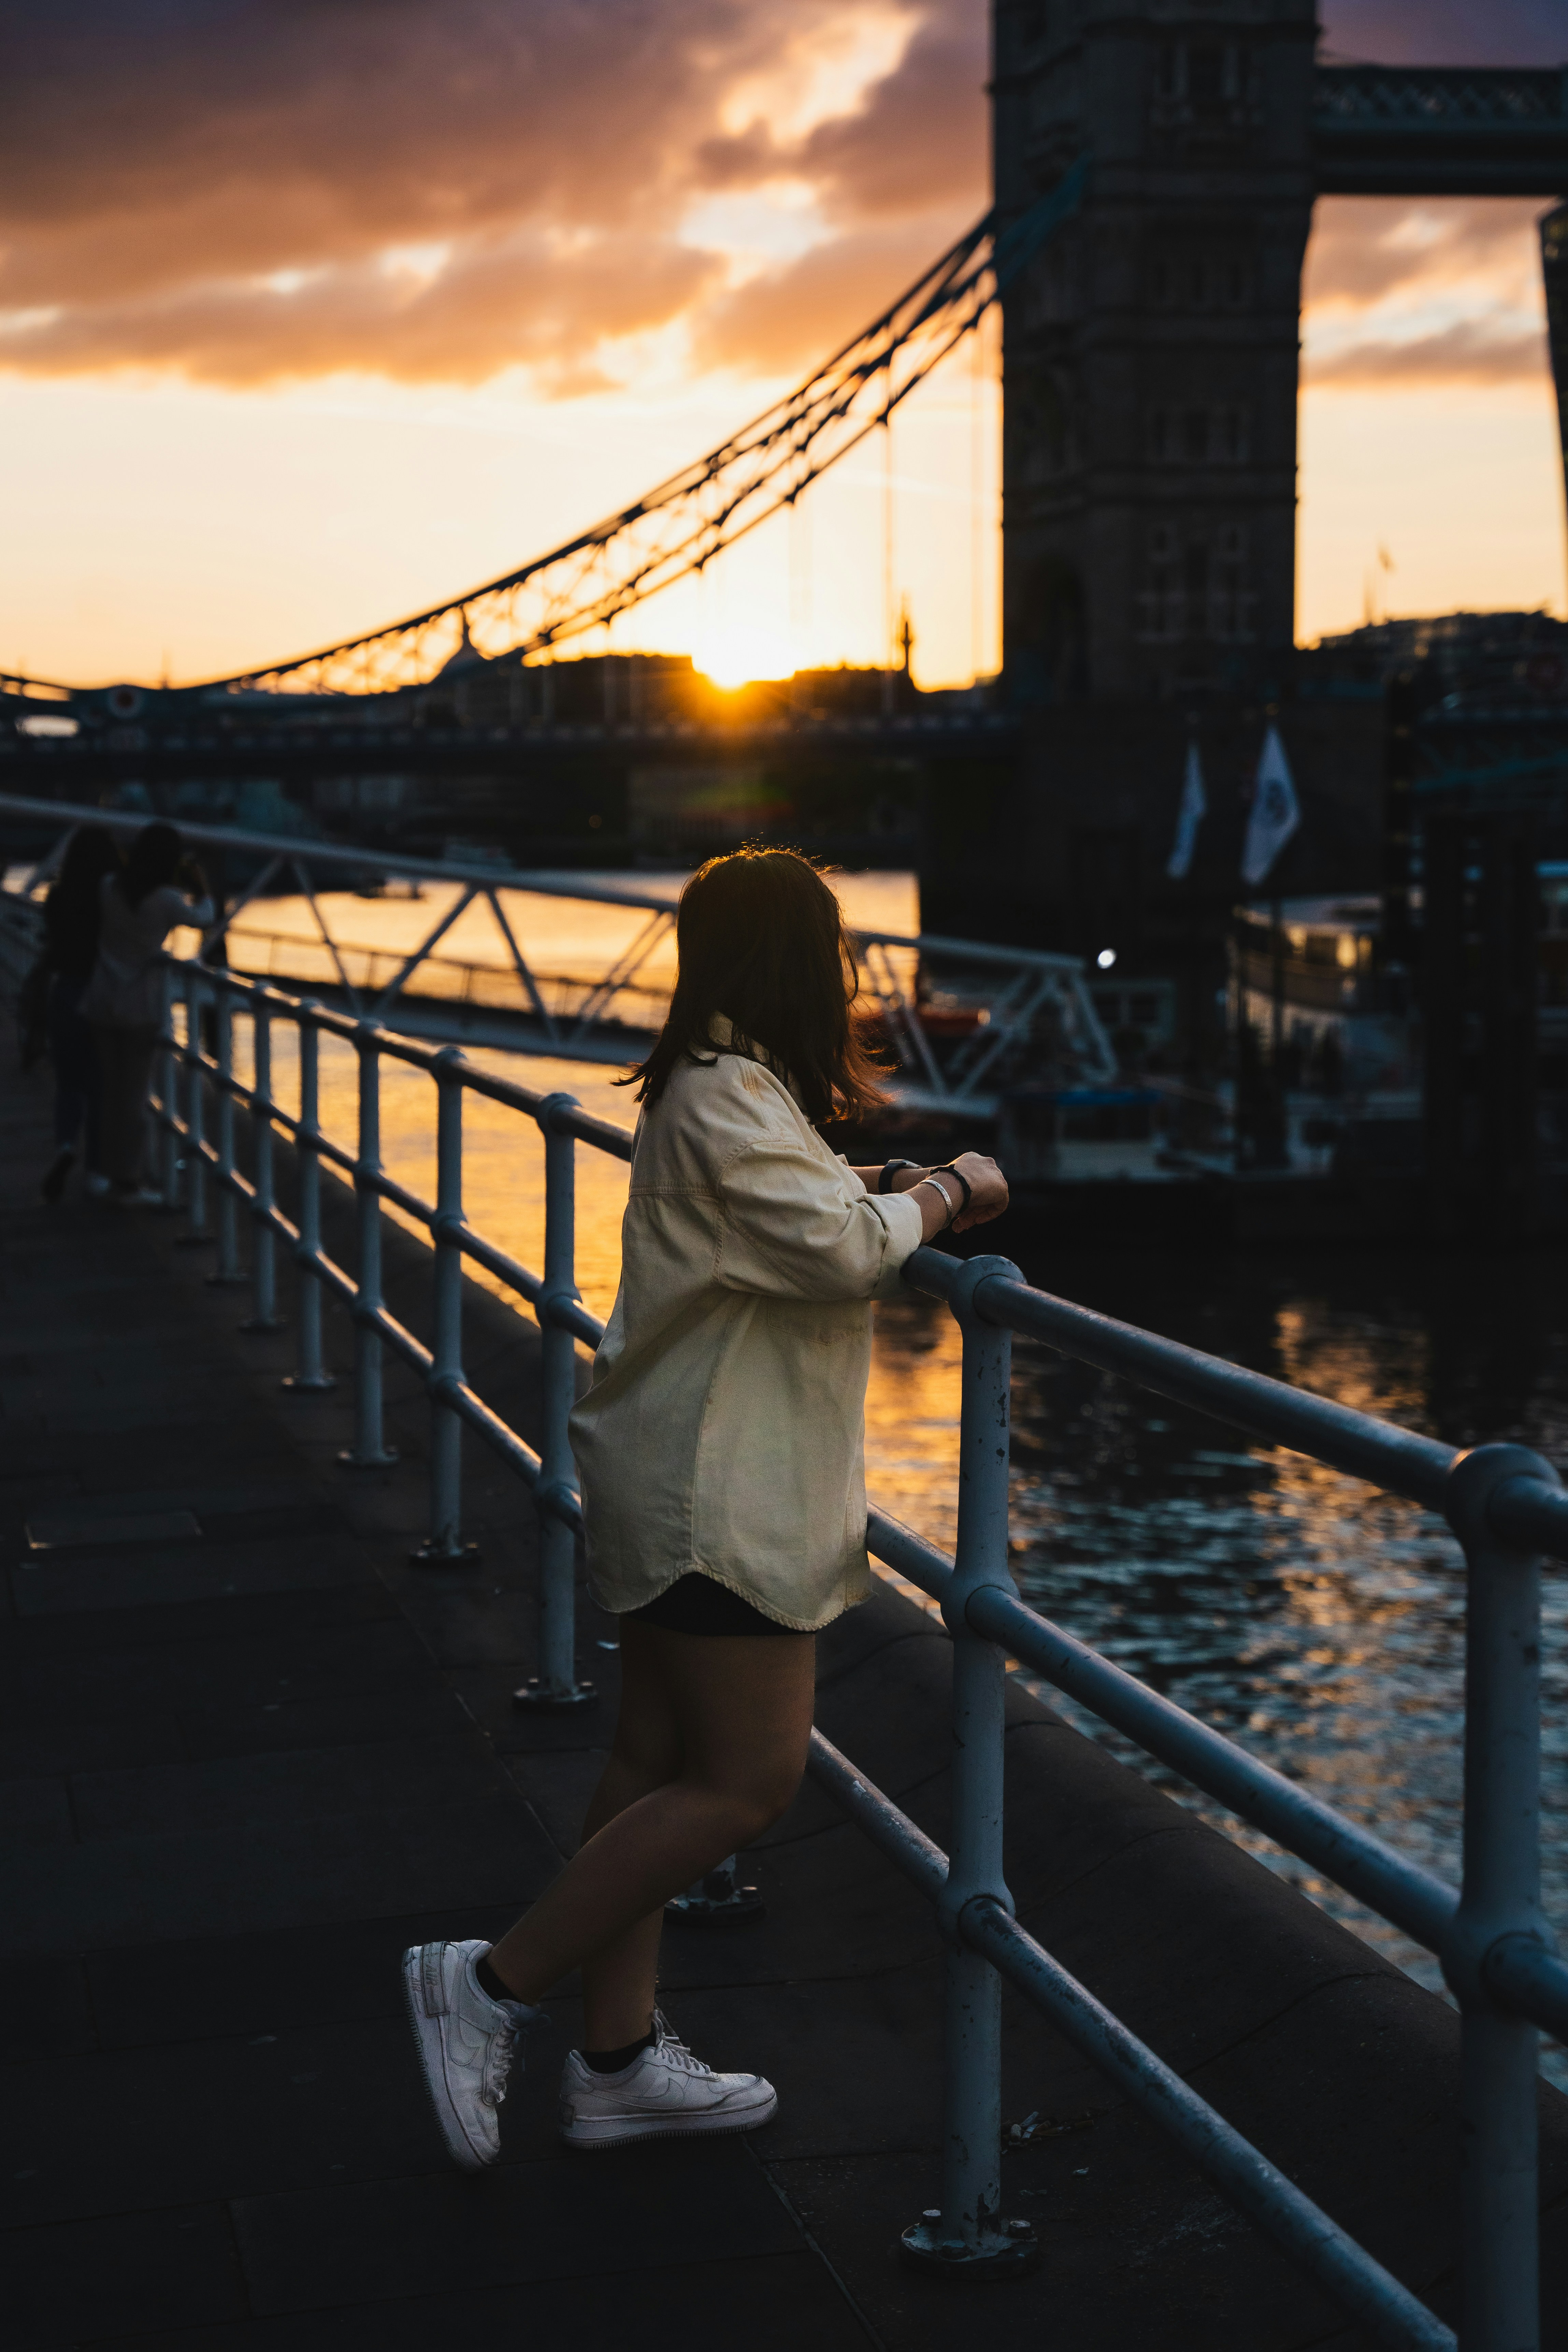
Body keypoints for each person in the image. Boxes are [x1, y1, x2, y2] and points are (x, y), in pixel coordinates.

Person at [404, 846, 1008, 2167]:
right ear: (801, 965)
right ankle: (489, 1984)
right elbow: (844, 1252)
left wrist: (878, 1192)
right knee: (747, 1780)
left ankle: (614, 2062)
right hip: (713, 1493)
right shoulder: (729, 1094)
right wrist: (950, 1190)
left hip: (680, 1468)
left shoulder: (717, 1085)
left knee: (653, 1767)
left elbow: (799, 1225)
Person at [81, 821, 213, 1205]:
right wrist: (200, 883)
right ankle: (130, 1180)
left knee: (106, 1091)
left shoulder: (108, 888)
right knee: (134, 1096)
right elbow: (204, 916)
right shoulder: (168, 900)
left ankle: (100, 1173)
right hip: (141, 1004)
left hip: (102, 998)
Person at [34, 824, 122, 1201]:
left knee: (68, 1084)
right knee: (101, 1088)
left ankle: (66, 1146)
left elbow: (52, 942)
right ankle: (97, 1173)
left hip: (64, 992)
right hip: (101, 994)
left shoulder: (57, 896)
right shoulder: (111, 899)